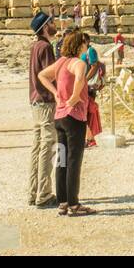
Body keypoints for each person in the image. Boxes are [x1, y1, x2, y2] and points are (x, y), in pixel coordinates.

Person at [38, 28, 93, 216]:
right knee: (73, 160)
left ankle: (62, 202)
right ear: (79, 45)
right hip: (74, 116)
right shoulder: (79, 62)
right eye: (85, 43)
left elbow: (42, 75)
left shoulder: (61, 62)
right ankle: (74, 204)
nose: (87, 46)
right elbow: (79, 78)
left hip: (59, 117)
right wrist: (75, 96)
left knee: (61, 159)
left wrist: (55, 93)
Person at [27, 11, 57, 208]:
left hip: (35, 101)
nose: (55, 24)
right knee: (47, 146)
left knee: (37, 147)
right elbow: (51, 74)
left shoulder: (35, 46)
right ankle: (44, 194)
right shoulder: (45, 47)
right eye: (52, 22)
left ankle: (33, 191)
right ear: (45, 27)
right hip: (45, 100)